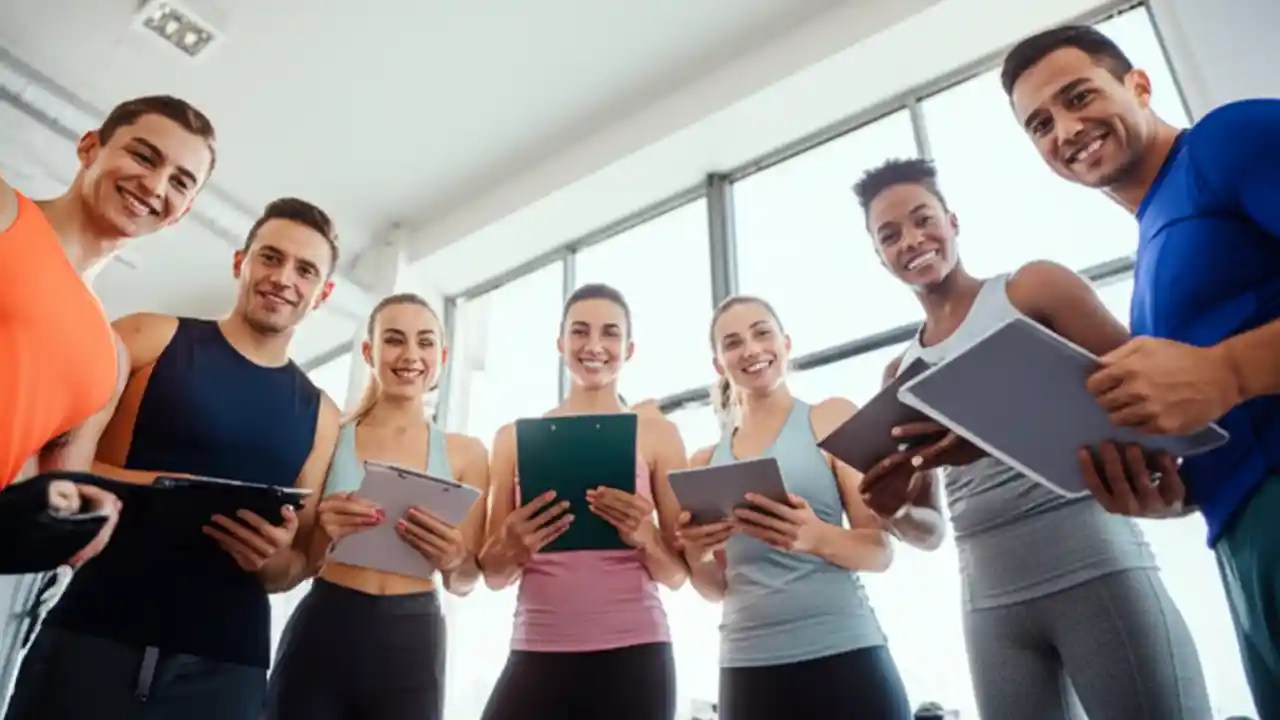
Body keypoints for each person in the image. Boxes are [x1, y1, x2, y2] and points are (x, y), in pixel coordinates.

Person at [852, 157, 1210, 719]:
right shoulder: (899, 375)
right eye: (890, 235)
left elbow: (1155, 400)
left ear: (952, 221)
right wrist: (894, 512)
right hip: (991, 606)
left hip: (1096, 569)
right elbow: (930, 530)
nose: (912, 241)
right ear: (879, 256)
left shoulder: (1033, 291)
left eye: (923, 220)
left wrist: (996, 430)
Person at [1002, 25, 1280, 715]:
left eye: (1079, 97)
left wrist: (1231, 370)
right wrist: (1166, 491)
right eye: (1041, 124)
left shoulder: (1226, 142)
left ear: (1139, 85)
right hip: (1244, 554)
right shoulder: (1151, 278)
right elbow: (1219, 431)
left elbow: (1224, 379)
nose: (1066, 128)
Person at [4, 197, 343, 720]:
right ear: (241, 262)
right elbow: (49, 462)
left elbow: (292, 566)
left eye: (305, 270)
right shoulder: (147, 337)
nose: (283, 278)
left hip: (226, 665)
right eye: (270, 257)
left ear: (323, 293)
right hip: (94, 629)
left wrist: (272, 558)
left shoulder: (322, 415)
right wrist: (157, 484)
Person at [0, 94, 217, 710]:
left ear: (183, 212)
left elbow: (58, 487)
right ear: (90, 146)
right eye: (142, 156)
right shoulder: (5, 211)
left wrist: (87, 517)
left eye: (180, 181)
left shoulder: (109, 354)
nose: (154, 185)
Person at [677, 294, 910, 720]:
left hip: (845, 651)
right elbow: (716, 588)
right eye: (732, 342)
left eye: (762, 333)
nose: (750, 349)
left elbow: (880, 551)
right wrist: (697, 553)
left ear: (785, 343)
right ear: (718, 364)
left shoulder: (831, 417)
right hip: (748, 667)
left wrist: (816, 536)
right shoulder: (704, 462)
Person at [263, 292, 490, 720]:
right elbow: (300, 564)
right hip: (327, 623)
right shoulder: (332, 436)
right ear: (369, 351)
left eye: (424, 343)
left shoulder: (468, 454)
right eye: (394, 340)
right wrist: (325, 534)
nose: (410, 355)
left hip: (412, 637)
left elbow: (464, 580)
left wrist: (455, 555)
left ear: (441, 355)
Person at [477, 283, 689, 720]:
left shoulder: (657, 435)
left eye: (610, 333)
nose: (594, 346)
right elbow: (494, 576)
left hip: (636, 652)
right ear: (561, 343)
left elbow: (677, 577)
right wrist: (512, 543)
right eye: (580, 332)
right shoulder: (513, 439)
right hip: (537, 646)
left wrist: (645, 537)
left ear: (629, 349)